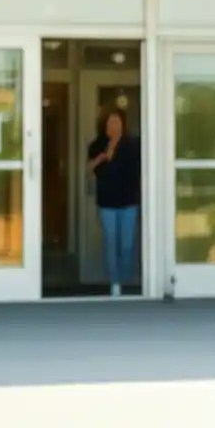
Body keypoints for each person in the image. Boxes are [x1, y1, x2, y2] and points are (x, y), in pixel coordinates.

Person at [86, 107, 141, 297]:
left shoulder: (133, 144)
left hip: (129, 201)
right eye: (110, 122)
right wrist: (106, 153)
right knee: (111, 243)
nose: (114, 125)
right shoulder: (97, 145)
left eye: (117, 122)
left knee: (127, 243)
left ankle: (124, 278)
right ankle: (115, 283)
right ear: (104, 124)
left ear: (123, 124)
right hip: (107, 202)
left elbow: (135, 170)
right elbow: (97, 170)